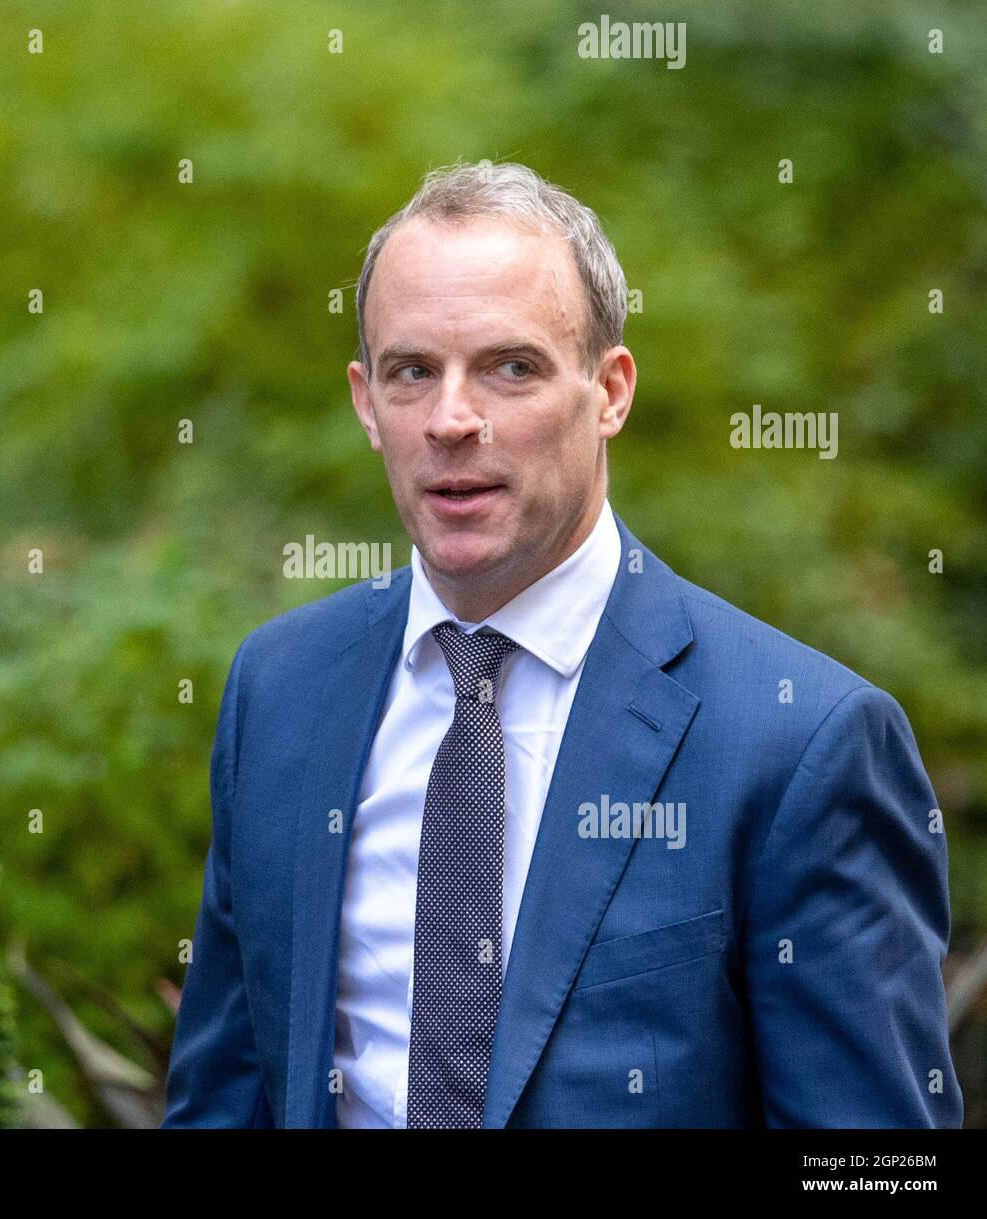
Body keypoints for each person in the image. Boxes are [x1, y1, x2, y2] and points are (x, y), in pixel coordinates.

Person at [161, 161, 962, 1128]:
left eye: (512, 367)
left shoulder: (801, 742)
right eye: (414, 371)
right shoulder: (280, 689)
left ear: (610, 390)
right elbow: (224, 1096)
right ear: (367, 403)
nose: (454, 419)